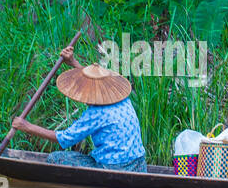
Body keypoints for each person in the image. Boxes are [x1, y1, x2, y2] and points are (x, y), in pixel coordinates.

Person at [11, 45, 148, 172]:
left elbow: (65, 139)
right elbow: (95, 82)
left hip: (113, 167)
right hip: (139, 165)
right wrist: (73, 62)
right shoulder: (123, 99)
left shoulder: (96, 113)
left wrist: (26, 126)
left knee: (56, 158)